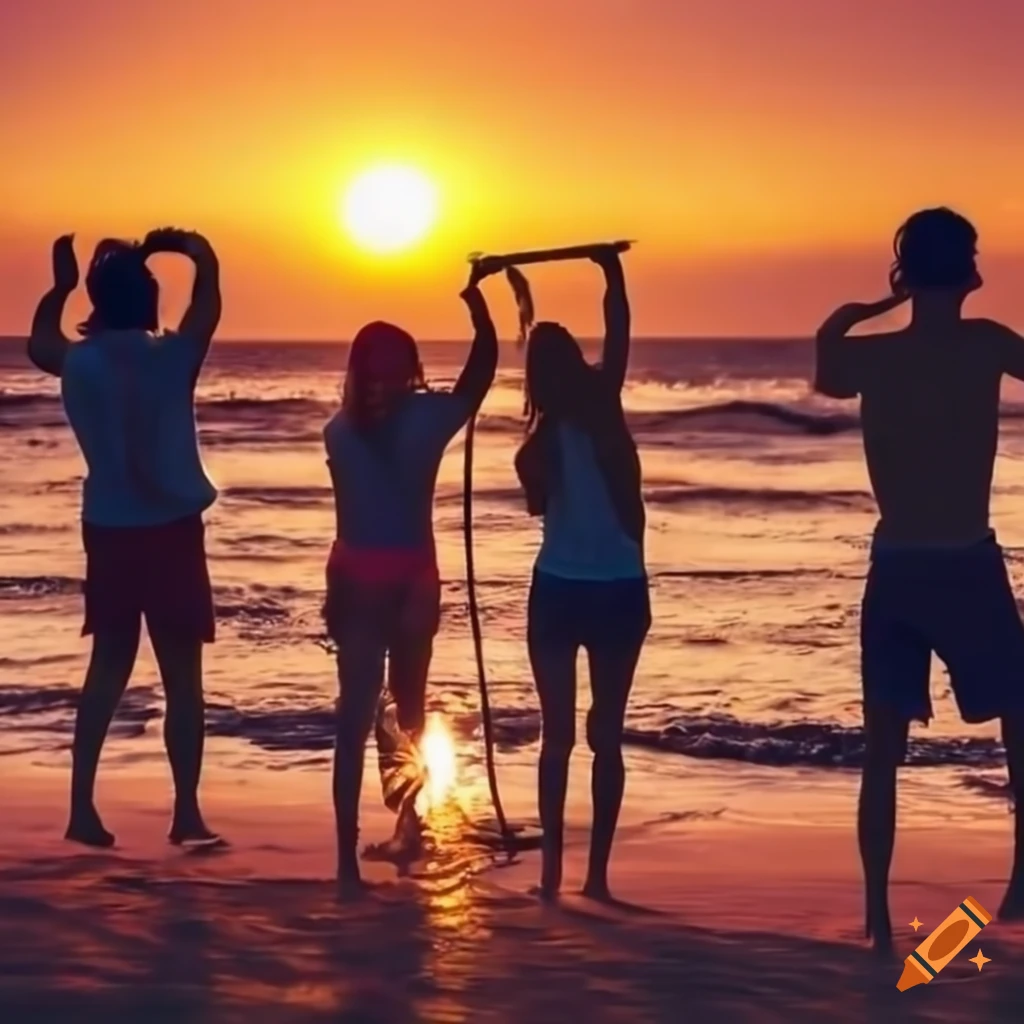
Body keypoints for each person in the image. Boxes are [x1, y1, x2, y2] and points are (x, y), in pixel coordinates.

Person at [814, 207, 1024, 952]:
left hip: (897, 566)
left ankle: (877, 915)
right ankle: (1021, 870)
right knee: (1020, 715)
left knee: (882, 749)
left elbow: (826, 360)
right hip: (966, 561)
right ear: (970, 270)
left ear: (905, 274)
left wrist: (873, 306)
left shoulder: (872, 358)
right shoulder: (990, 343)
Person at [28, 229, 223, 849]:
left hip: (109, 528)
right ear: (147, 299)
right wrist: (196, 250)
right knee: (182, 677)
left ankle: (81, 809)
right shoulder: (172, 356)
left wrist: (57, 288)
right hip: (170, 532)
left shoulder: (79, 361)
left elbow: (38, 343)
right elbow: (209, 303)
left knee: (107, 667)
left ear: (97, 300)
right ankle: (186, 814)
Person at [323, 260, 500, 897]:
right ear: (410, 367)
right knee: (410, 707)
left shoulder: (337, 431)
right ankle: (408, 825)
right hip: (413, 578)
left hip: (357, 576)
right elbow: (480, 376)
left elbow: (349, 521)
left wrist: (332, 594)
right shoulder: (427, 419)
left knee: (358, 716)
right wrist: (479, 306)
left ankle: (346, 856)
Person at [514, 246, 649, 903]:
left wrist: (610, 271)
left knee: (591, 736)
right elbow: (541, 503)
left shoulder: (597, 407)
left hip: (601, 588)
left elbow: (618, 330)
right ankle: (563, 877)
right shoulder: (542, 439)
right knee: (572, 736)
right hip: (577, 588)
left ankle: (584, 877)